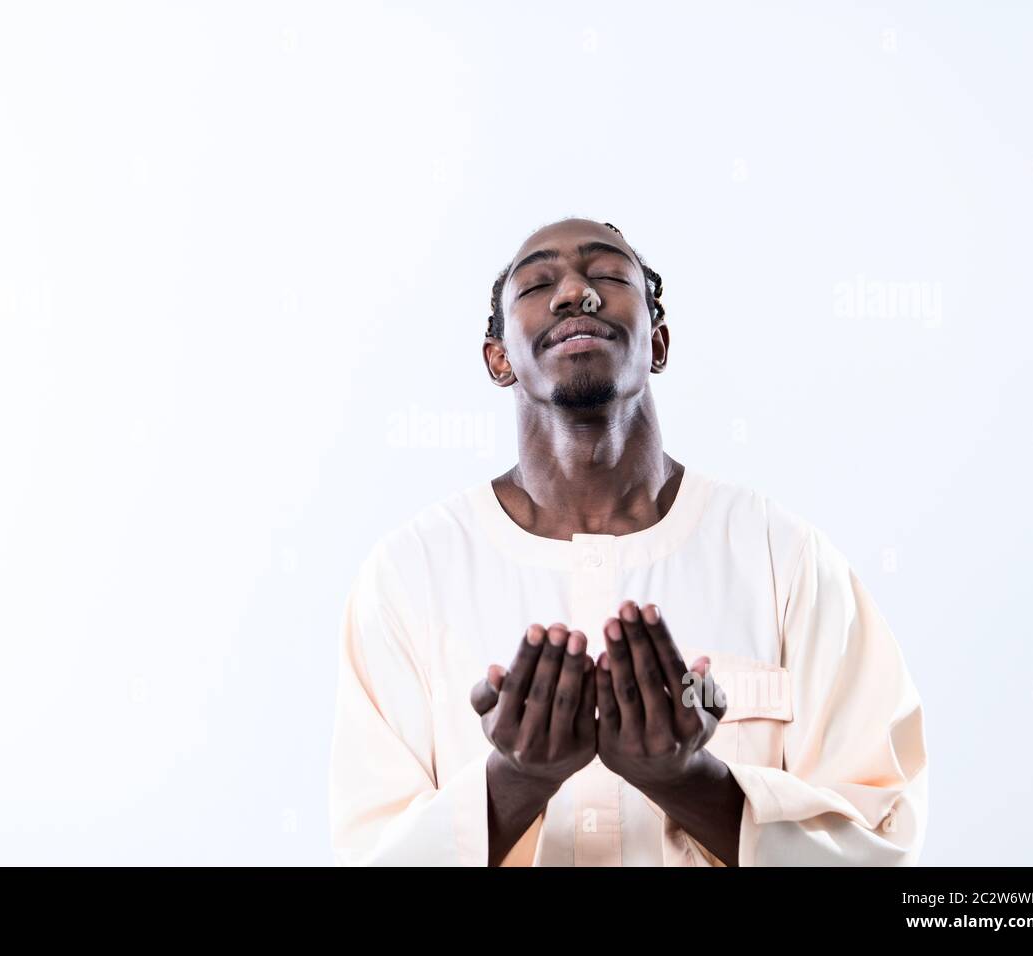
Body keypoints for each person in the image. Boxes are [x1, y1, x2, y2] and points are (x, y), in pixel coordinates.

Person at [328, 217, 929, 866]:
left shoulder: (785, 559)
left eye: (609, 276)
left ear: (658, 343)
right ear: (499, 359)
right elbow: (371, 856)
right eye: (537, 285)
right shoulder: (410, 575)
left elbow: (883, 845)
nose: (575, 294)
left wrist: (690, 782)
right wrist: (514, 783)